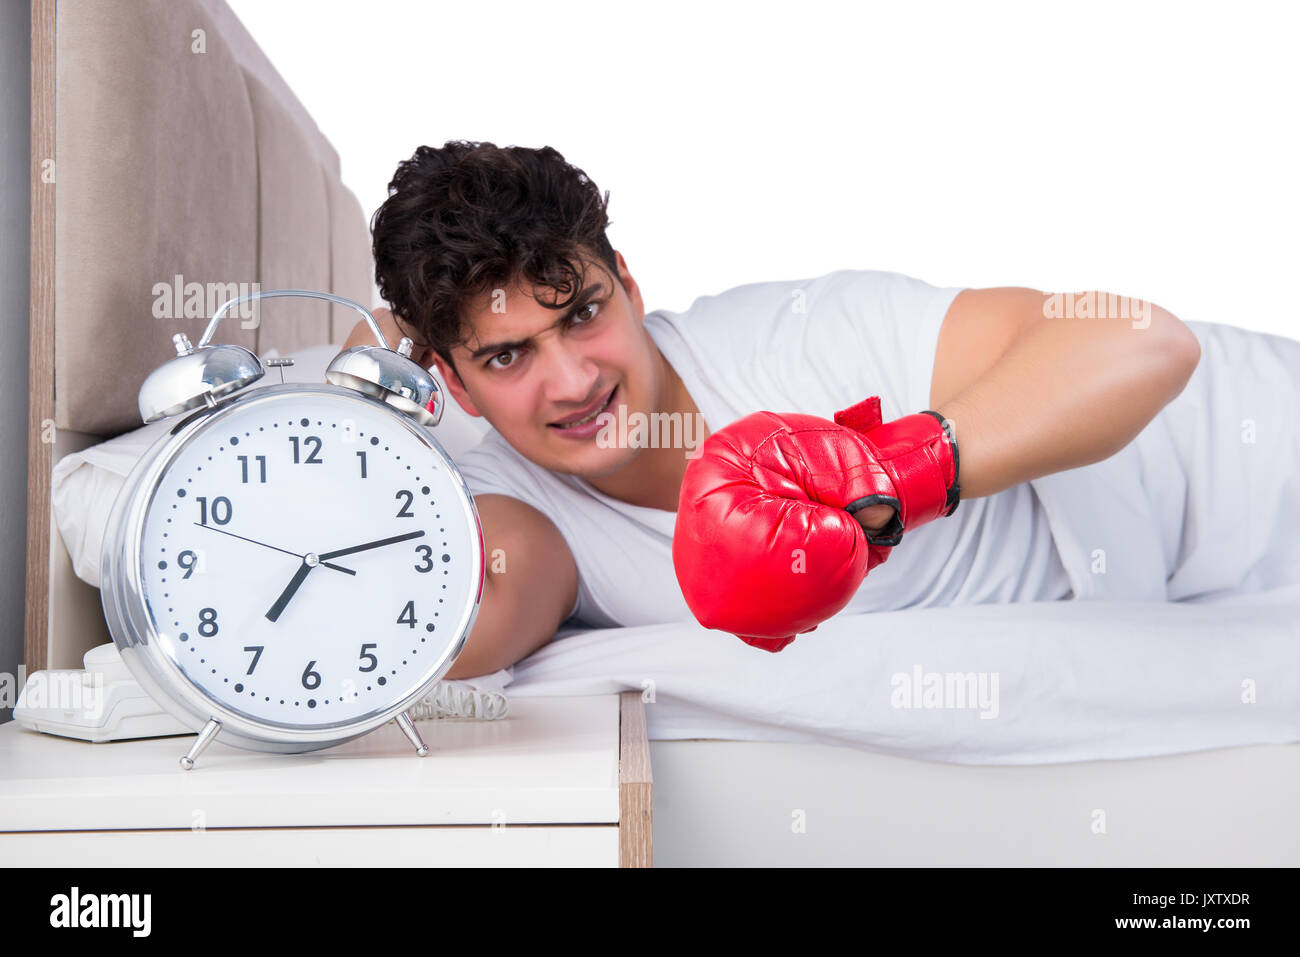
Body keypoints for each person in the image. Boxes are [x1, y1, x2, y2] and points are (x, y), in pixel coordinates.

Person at [340, 141, 1203, 677]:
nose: (570, 381)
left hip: (1213, 437)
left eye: (581, 315)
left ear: (629, 286)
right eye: (506, 355)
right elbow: (426, 627)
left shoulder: (795, 339)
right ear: (454, 385)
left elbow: (1146, 341)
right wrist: (368, 365)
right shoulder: (520, 512)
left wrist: (893, 477)